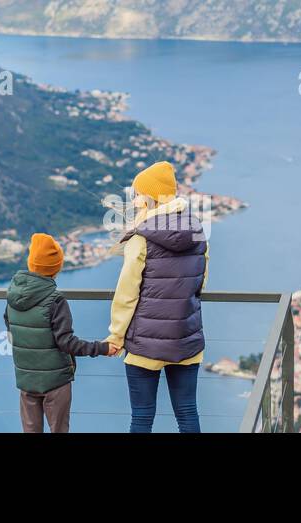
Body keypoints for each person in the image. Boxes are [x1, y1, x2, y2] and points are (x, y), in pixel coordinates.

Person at [106, 161, 209, 433]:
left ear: (151, 197)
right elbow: (201, 280)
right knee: (187, 413)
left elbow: (127, 293)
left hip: (145, 344)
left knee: (141, 418)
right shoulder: (197, 231)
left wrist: (116, 336)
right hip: (186, 337)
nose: (135, 199)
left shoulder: (141, 238)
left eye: (139, 193)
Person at [5, 233, 119, 433]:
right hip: (55, 381)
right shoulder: (55, 300)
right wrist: (102, 348)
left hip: (26, 379)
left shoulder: (12, 296)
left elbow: (12, 330)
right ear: (56, 268)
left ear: (31, 263)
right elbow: (67, 343)